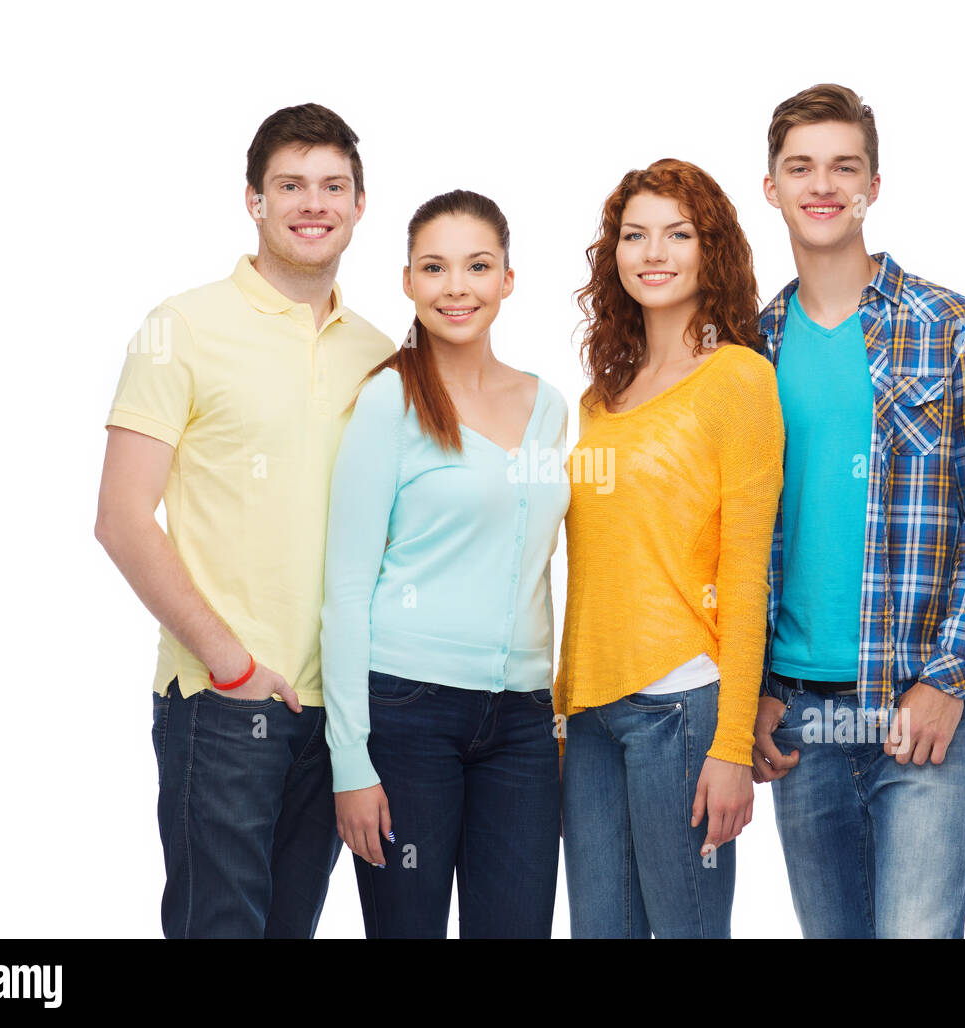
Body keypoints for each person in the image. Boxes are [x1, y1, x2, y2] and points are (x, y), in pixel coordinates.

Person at [95, 103, 395, 938]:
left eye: (333, 186)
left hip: (334, 709)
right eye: (290, 185)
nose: (313, 203)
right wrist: (230, 664)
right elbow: (121, 517)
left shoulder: (377, 353)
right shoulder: (181, 328)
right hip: (222, 701)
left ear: (360, 205)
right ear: (255, 202)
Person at [749, 83, 965, 938]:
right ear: (772, 187)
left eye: (844, 166)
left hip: (920, 706)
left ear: (873, 185)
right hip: (801, 714)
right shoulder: (749, 350)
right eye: (801, 167)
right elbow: (744, 535)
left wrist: (948, 679)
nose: (822, 185)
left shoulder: (956, 329)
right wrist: (756, 687)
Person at [322, 190, 569, 939]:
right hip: (407, 713)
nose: (455, 287)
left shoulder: (550, 406)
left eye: (477, 266)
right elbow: (344, 587)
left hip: (524, 723)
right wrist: (350, 762)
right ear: (407, 281)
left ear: (507, 279)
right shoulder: (389, 399)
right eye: (434, 267)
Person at [554, 158, 782, 938]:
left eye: (677, 234)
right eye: (634, 234)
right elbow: (590, 566)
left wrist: (731, 745)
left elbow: (746, 577)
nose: (653, 252)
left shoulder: (739, 380)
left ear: (709, 249)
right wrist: (560, 705)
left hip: (682, 711)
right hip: (589, 716)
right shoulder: (599, 397)